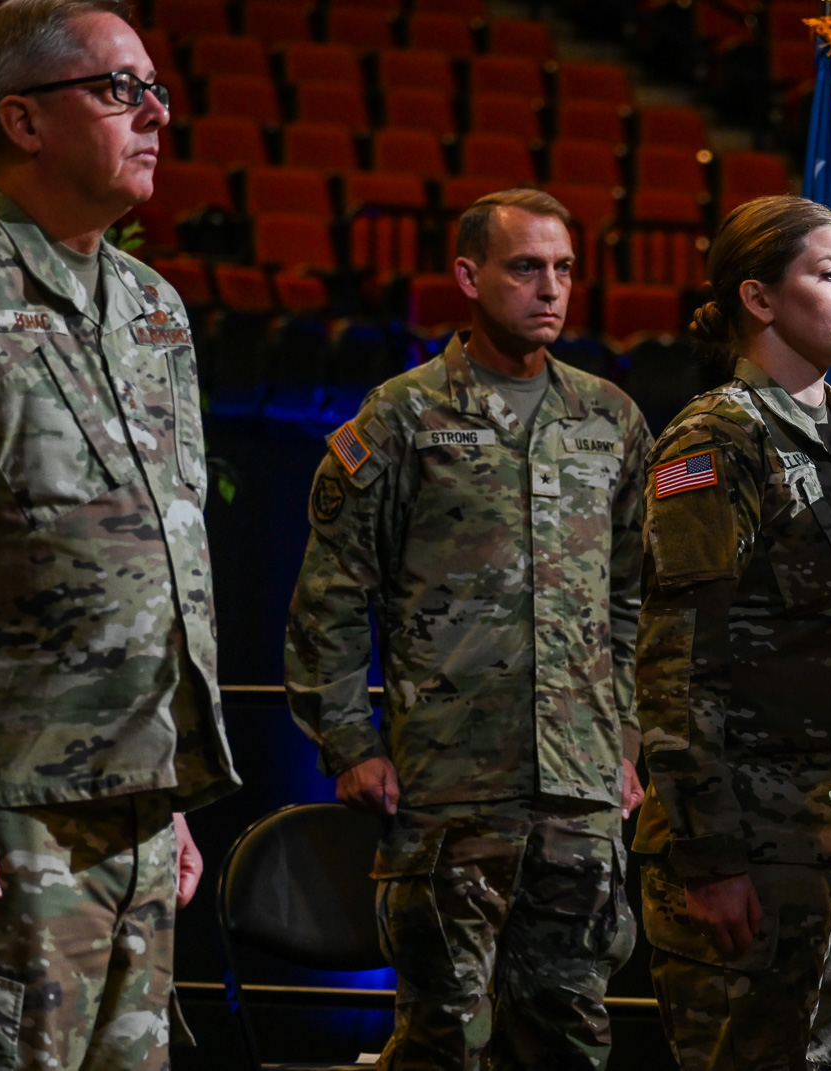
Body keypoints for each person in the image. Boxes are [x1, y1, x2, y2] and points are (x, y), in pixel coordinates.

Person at [0, 0, 240, 1066]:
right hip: (1, 806)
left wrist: (164, 780)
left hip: (140, 811)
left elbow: (160, 553)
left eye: (155, 88)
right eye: (119, 88)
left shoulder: (153, 305)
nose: (154, 113)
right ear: (23, 120)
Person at [284, 188, 652, 1071]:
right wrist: (347, 742)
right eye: (526, 267)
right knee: (444, 1039)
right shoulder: (403, 416)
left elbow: (636, 602)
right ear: (468, 276)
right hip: (447, 789)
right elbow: (331, 591)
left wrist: (631, 741)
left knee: (570, 1036)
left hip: (581, 795)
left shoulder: (610, 420)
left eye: (564, 269)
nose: (550, 288)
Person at [632, 195, 831, 1071]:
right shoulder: (720, 436)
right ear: (759, 299)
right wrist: (710, 853)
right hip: (758, 857)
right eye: (829, 273)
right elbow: (678, 665)